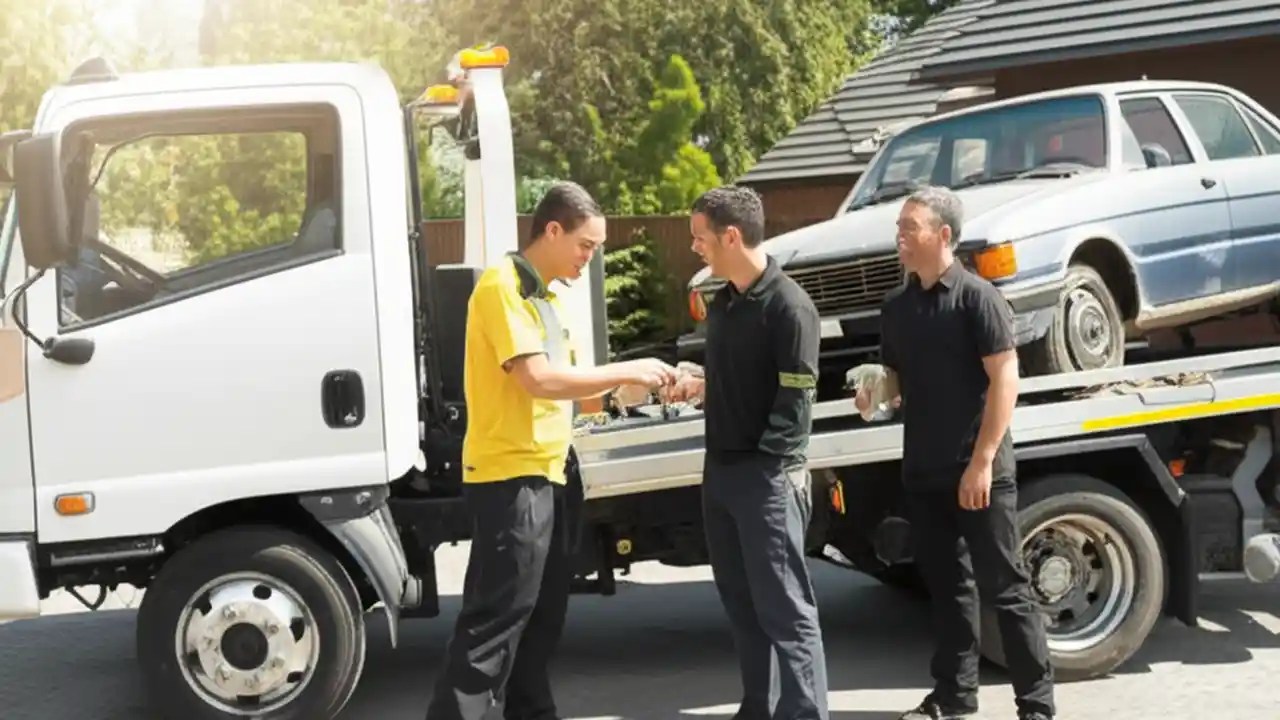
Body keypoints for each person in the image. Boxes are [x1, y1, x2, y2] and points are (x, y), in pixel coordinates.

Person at [426, 181, 679, 720]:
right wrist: (624, 371)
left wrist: (643, 383)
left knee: (542, 617)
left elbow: (575, 392)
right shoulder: (503, 288)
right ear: (553, 230)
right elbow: (537, 379)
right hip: (511, 477)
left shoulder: (544, 297)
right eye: (586, 245)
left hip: (551, 471)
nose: (591, 257)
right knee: (495, 623)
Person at [855, 185, 1055, 720]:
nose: (899, 236)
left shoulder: (978, 298)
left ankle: (1036, 706)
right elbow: (896, 379)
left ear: (943, 235)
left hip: (979, 471)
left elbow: (1004, 379)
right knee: (947, 591)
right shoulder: (897, 307)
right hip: (924, 472)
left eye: (909, 227)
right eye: (898, 227)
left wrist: (983, 461)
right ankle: (953, 697)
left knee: (1006, 589)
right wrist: (875, 393)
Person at [666, 185, 829, 720]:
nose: (695, 248)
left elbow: (795, 399)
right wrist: (703, 384)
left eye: (700, 238)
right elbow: (742, 380)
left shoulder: (790, 306)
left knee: (786, 609)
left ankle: (806, 713)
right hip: (722, 474)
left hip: (765, 477)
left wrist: (766, 471)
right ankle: (758, 708)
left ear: (730, 236)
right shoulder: (726, 302)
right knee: (742, 605)